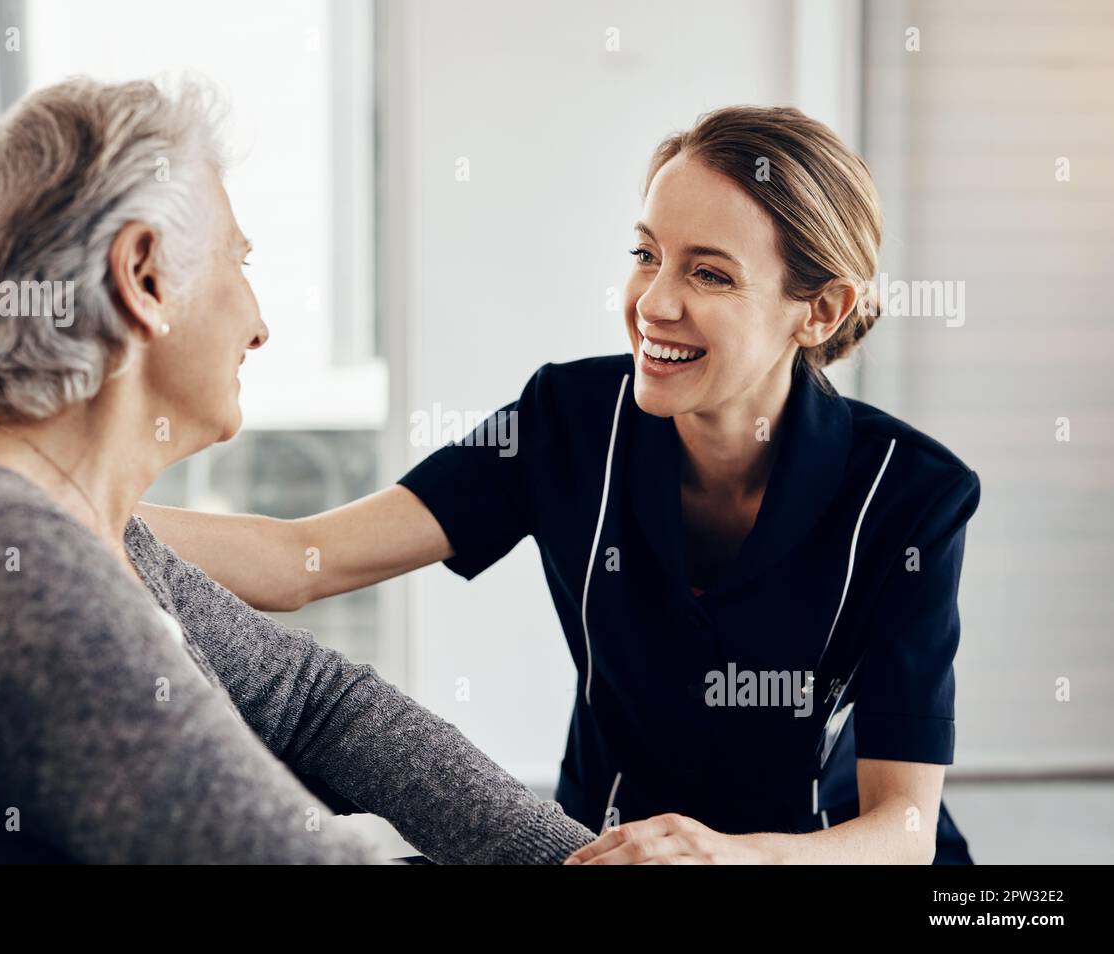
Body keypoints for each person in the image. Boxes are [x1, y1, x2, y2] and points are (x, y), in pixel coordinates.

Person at [138, 106, 983, 864]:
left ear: (822, 310)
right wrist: (65, 498)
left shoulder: (913, 494)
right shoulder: (568, 419)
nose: (653, 302)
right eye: (646, 254)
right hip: (591, 849)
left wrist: (733, 858)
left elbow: (903, 831)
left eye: (709, 274)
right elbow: (303, 561)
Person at [0, 76, 596, 864]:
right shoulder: (0, 557)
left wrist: (567, 859)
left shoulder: (86, 528)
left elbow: (315, 705)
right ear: (145, 277)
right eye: (240, 259)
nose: (259, 326)